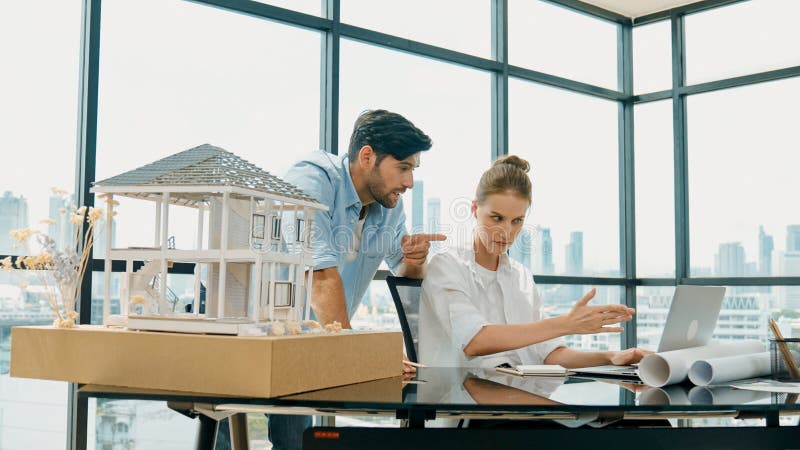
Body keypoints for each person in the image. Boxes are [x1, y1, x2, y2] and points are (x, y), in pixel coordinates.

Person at [246, 109, 443, 450]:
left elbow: (405, 273)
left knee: (293, 438)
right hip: (242, 316)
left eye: (413, 170)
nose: (410, 182)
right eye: (404, 168)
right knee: (221, 416)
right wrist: (360, 356)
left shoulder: (390, 208)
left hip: (304, 329)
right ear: (367, 157)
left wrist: (414, 261)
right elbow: (321, 277)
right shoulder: (311, 179)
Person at [419, 155, 649, 372]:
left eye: (517, 221)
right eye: (496, 218)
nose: (506, 231)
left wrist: (610, 357)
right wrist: (567, 323)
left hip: (520, 394)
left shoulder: (520, 277)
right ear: (474, 209)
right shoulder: (446, 267)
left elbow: (549, 353)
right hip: (466, 399)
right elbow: (474, 341)